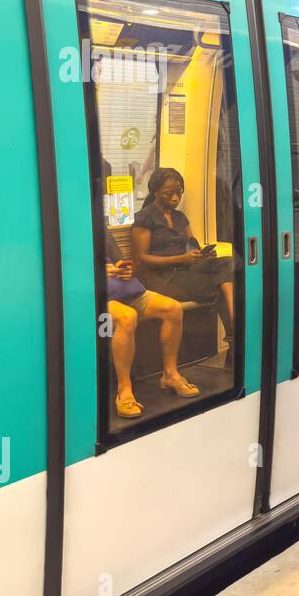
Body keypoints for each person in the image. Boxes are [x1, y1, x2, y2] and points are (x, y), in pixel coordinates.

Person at [131, 168, 236, 355]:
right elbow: (142, 258)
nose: (175, 198)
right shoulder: (145, 217)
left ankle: (234, 332)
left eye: (179, 192)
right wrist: (181, 258)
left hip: (183, 271)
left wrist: (201, 256)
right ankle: (234, 335)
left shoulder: (180, 218)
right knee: (221, 285)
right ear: (155, 191)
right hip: (160, 278)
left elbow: (191, 246)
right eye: (168, 193)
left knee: (227, 261)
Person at [104, 233, 198, 418]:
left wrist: (124, 270)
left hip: (124, 290)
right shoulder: (65, 230)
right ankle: (124, 390)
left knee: (173, 308)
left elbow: (119, 261)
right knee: (127, 317)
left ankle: (169, 375)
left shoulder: (100, 228)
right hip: (94, 295)